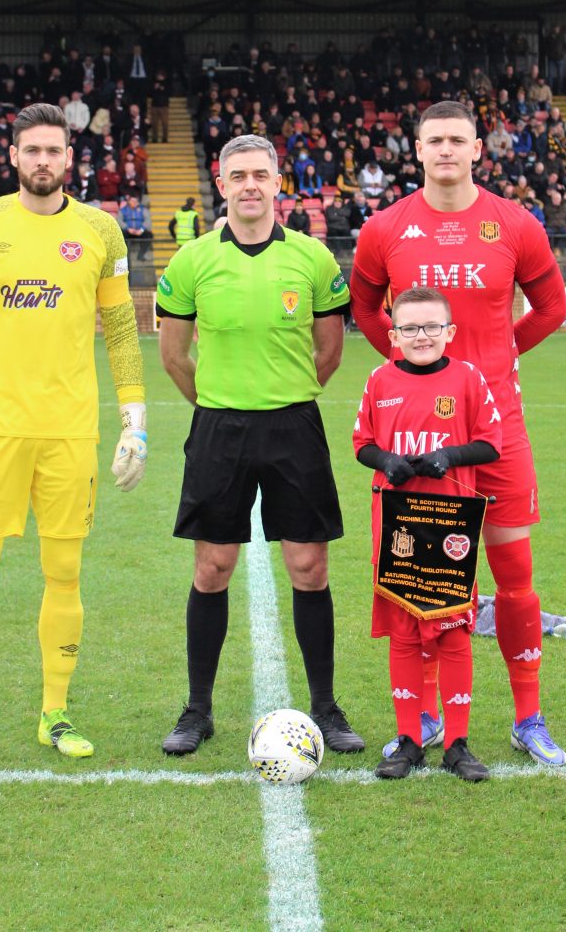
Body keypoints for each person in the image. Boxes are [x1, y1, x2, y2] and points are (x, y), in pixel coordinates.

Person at [0, 102, 146, 768]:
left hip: (70, 433)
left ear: (71, 158)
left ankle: (55, 712)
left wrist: (136, 421)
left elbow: (123, 331)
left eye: (55, 151)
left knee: (64, 572)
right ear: (13, 156)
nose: (44, 161)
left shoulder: (101, 231)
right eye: (32, 150)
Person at [350, 100, 566, 766]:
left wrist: (497, 360)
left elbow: (553, 307)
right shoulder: (386, 228)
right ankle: (426, 722)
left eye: (458, 140)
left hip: (496, 430)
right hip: (420, 441)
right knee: (423, 583)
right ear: (416, 150)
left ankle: (528, 717)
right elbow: (365, 309)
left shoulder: (515, 222)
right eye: (434, 140)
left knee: (515, 575)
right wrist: (413, 372)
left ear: (478, 148)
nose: (446, 149)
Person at [155, 134, 363, 756]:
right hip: (220, 428)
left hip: (293, 426)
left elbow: (329, 350)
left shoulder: (313, 259)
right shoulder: (191, 261)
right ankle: (197, 710)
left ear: (279, 184)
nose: (250, 185)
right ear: (221, 185)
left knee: (309, 566)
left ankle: (325, 707)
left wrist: (286, 394)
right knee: (212, 568)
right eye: (238, 175)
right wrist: (220, 402)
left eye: (260, 175)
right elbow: (173, 355)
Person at [354, 288, 501, 782]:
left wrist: (450, 457)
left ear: (449, 332)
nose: (422, 336)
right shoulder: (379, 380)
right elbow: (362, 444)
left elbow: (490, 444)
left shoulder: (467, 378)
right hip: (399, 525)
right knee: (404, 633)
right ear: (393, 335)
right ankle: (409, 740)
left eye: (431, 327)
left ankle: (457, 742)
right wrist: (387, 461)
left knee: (455, 632)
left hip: (451, 527)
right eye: (410, 328)